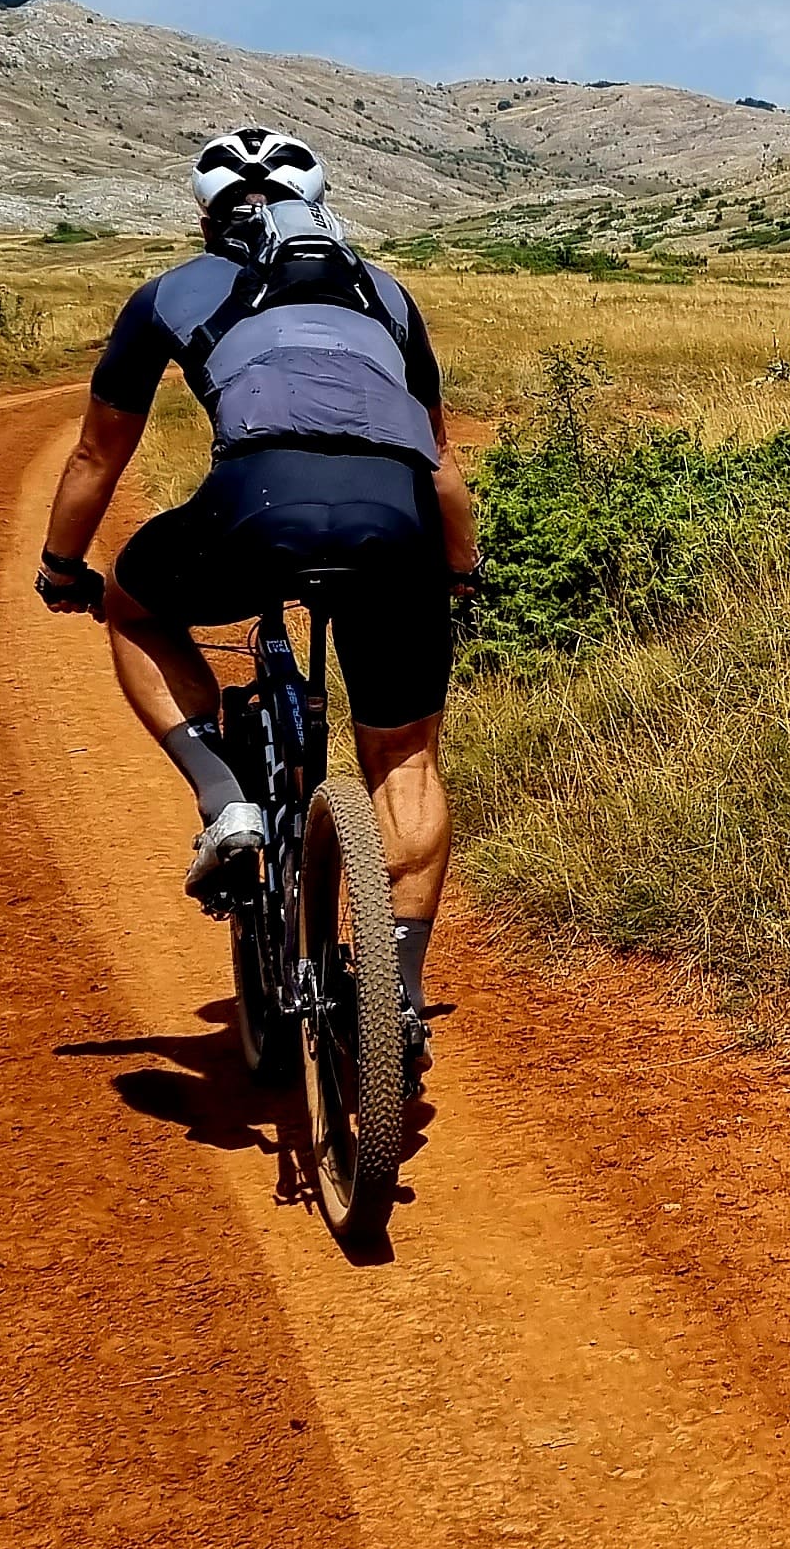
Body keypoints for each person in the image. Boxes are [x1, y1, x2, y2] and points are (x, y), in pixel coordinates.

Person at [32, 128, 478, 1037]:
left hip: (253, 507)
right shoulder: (385, 294)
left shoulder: (171, 293)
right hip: (396, 524)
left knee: (133, 599)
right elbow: (441, 465)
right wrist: (461, 572)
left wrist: (61, 566)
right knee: (406, 761)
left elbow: (94, 453)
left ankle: (225, 800)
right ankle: (397, 993)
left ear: (206, 216)